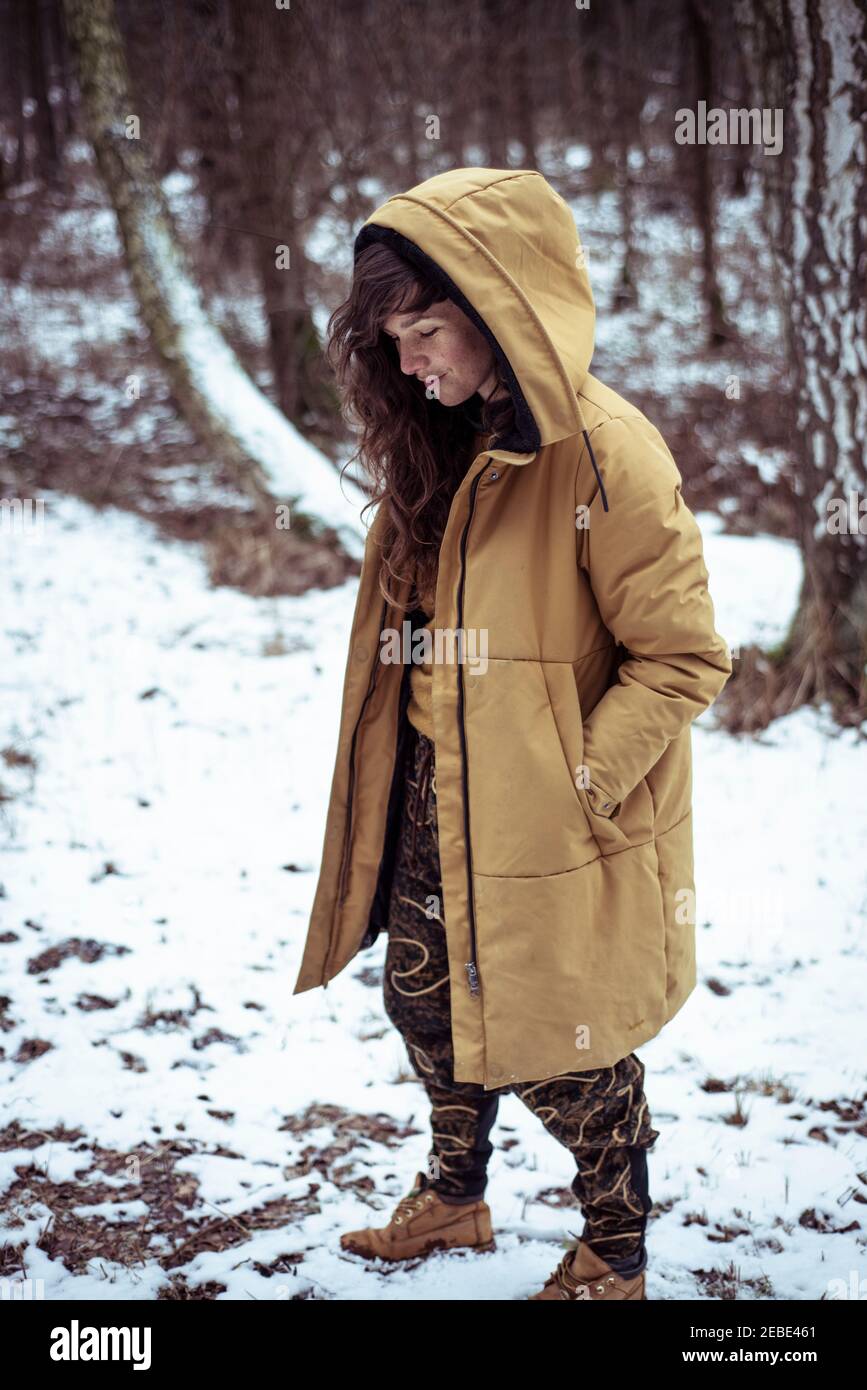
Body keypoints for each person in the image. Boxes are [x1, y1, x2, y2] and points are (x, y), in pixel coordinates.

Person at [293, 167, 732, 1301]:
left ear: (501, 312)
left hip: (548, 807)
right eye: (393, 339)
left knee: (559, 1040)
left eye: (428, 331)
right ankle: (455, 1196)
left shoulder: (606, 453)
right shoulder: (445, 438)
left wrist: (582, 779)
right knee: (422, 996)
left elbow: (684, 656)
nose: (410, 363)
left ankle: (616, 1251)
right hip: (438, 786)